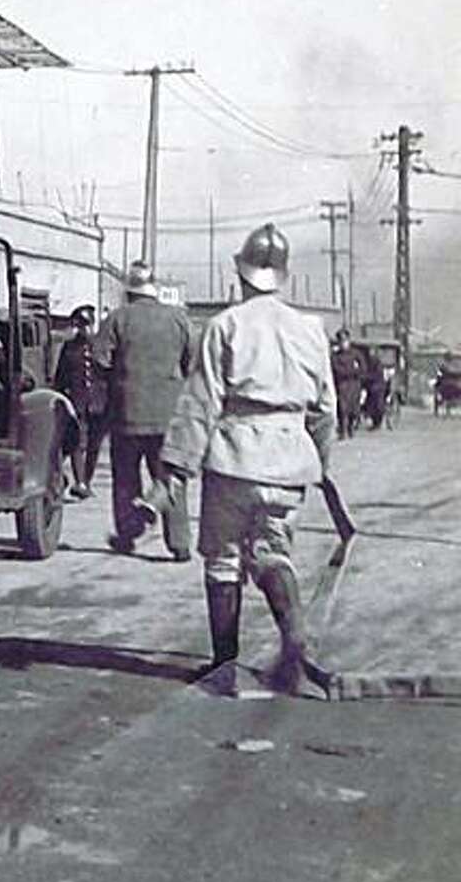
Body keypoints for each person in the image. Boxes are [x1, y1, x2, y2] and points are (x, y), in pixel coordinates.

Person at [153, 222, 336, 698]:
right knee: (274, 551)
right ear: (284, 276)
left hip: (235, 456)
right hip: (289, 458)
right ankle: (292, 633)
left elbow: (200, 403)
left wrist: (176, 468)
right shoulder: (311, 331)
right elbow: (326, 410)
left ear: (241, 273)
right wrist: (319, 462)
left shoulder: (224, 326)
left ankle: (225, 664)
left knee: (223, 559)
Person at [92, 262, 193, 558]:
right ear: (154, 288)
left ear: (129, 291)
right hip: (168, 416)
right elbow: (192, 361)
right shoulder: (178, 319)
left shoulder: (117, 319)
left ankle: (128, 533)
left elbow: (101, 360)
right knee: (169, 476)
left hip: (126, 414)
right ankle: (179, 543)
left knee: (125, 478)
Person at [52, 303, 107, 498]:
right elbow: (60, 376)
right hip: (77, 401)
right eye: (80, 325)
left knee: (94, 444)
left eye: (86, 325)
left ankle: (87, 480)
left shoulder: (101, 346)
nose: (84, 329)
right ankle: (81, 482)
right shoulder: (69, 347)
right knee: (78, 443)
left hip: (99, 402)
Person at [330, 328, 365, 439]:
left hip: (355, 385)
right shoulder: (336, 356)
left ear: (349, 340)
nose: (343, 343)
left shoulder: (356, 354)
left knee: (354, 408)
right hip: (342, 385)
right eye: (341, 341)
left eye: (345, 340)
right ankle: (343, 430)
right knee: (342, 408)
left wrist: (355, 372)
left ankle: (351, 427)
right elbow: (336, 370)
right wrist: (352, 371)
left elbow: (363, 368)